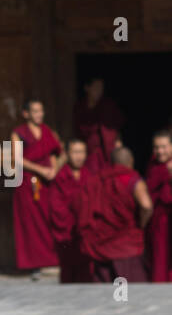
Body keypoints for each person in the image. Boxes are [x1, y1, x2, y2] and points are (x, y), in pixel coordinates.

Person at [78, 145, 152, 284]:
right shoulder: (132, 178)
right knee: (130, 292)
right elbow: (146, 205)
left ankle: (112, 304)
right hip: (126, 245)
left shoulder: (97, 180)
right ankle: (123, 303)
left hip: (102, 246)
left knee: (106, 290)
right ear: (131, 161)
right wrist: (141, 224)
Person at [11, 99, 62, 277]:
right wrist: (41, 169)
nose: (39, 114)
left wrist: (53, 171)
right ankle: (35, 265)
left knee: (50, 219)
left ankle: (52, 259)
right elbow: (17, 159)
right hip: (27, 183)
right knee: (31, 224)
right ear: (26, 114)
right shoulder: (18, 134)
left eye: (41, 111)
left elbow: (53, 153)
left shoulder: (47, 131)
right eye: (35, 111)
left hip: (48, 182)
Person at [47, 138, 90, 284]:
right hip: (67, 232)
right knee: (68, 273)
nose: (79, 156)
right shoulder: (60, 177)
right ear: (67, 154)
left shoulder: (89, 175)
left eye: (82, 152)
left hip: (86, 232)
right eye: (75, 152)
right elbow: (56, 206)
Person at [72, 77, 124, 165]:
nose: (99, 91)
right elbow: (78, 131)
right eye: (96, 87)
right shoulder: (80, 108)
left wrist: (118, 141)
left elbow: (116, 126)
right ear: (87, 88)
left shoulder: (108, 106)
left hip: (108, 151)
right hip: (90, 153)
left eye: (101, 88)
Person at [143, 131, 172, 283]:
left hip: (169, 220)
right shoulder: (154, 166)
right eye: (156, 147)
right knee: (158, 260)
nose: (160, 151)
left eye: (164, 147)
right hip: (157, 223)